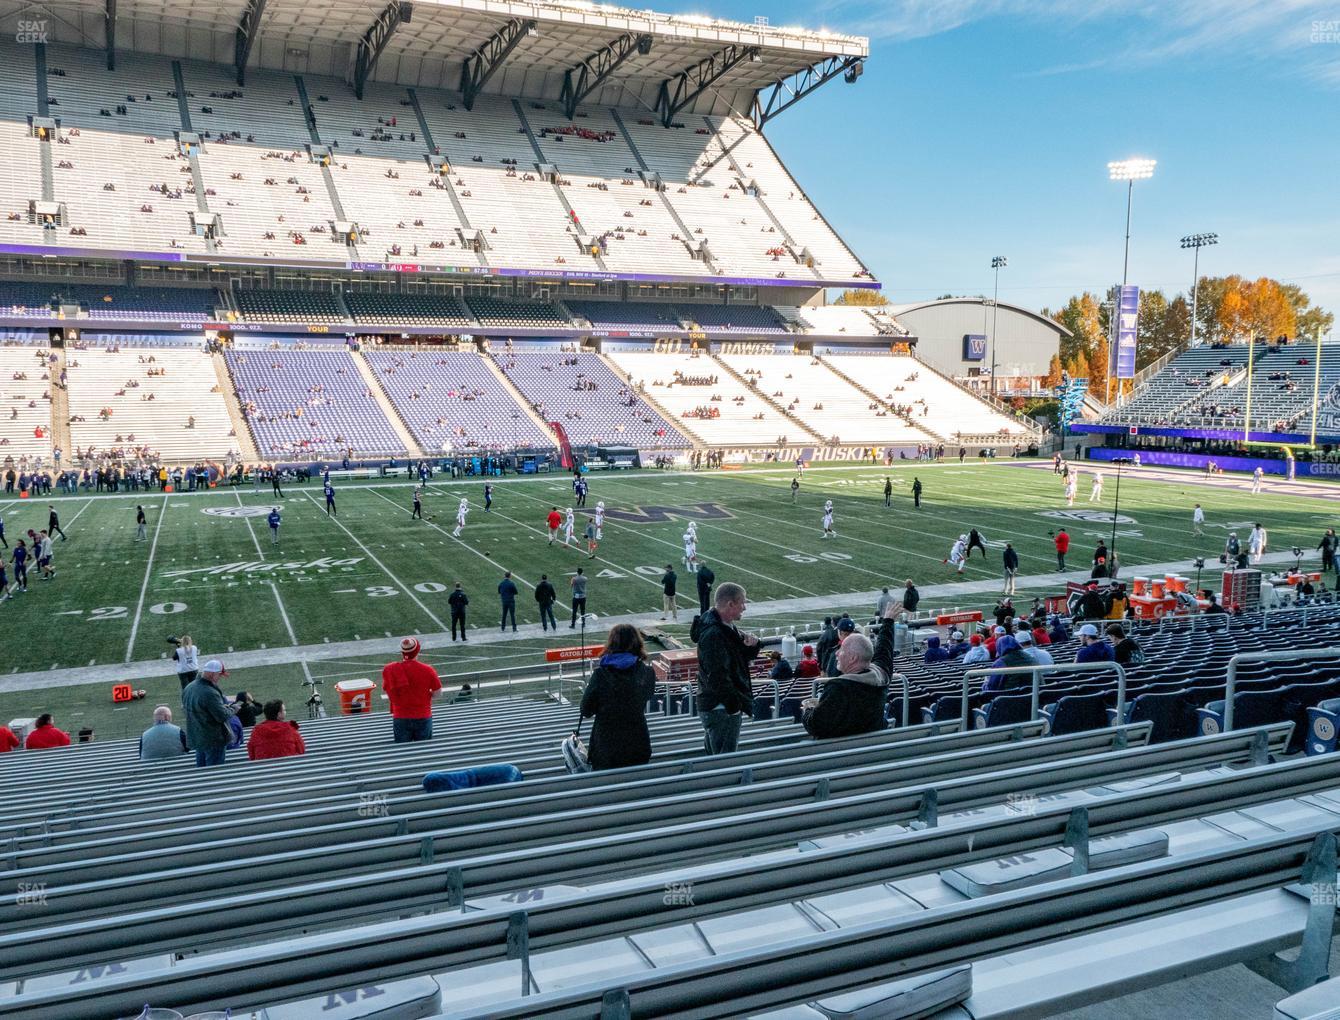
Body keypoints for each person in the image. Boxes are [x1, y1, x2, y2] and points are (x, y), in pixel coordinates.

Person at [802, 605, 897, 739]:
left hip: (839, 754)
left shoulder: (839, 688)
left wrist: (808, 709)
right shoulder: (882, 676)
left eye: (842, 650)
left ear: (853, 658)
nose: (837, 653)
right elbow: (884, 650)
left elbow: (815, 726)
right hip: (873, 747)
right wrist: (888, 621)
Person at [578, 623, 657, 770]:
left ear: (611, 643)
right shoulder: (647, 673)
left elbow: (585, 710)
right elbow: (646, 696)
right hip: (638, 743)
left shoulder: (600, 675)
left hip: (606, 747)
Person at [694, 582, 759, 754]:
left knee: (715, 759)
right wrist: (734, 706)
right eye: (742, 603)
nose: (744, 608)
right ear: (730, 604)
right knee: (724, 763)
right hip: (720, 708)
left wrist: (752, 646)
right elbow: (717, 676)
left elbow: (735, 660)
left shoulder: (723, 627)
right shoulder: (714, 634)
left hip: (719, 706)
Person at [381, 637, 442, 742]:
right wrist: (426, 695)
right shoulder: (428, 670)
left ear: (402, 652)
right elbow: (438, 693)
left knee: (403, 752)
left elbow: (387, 690)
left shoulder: (390, 670)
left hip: (401, 717)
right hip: (423, 715)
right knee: (424, 752)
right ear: (418, 651)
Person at [182, 660, 233, 766]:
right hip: (212, 738)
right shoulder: (209, 692)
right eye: (219, 675)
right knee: (214, 772)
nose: (220, 678)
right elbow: (222, 716)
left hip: (198, 736)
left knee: (202, 770)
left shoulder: (189, 687)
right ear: (212, 674)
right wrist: (233, 709)